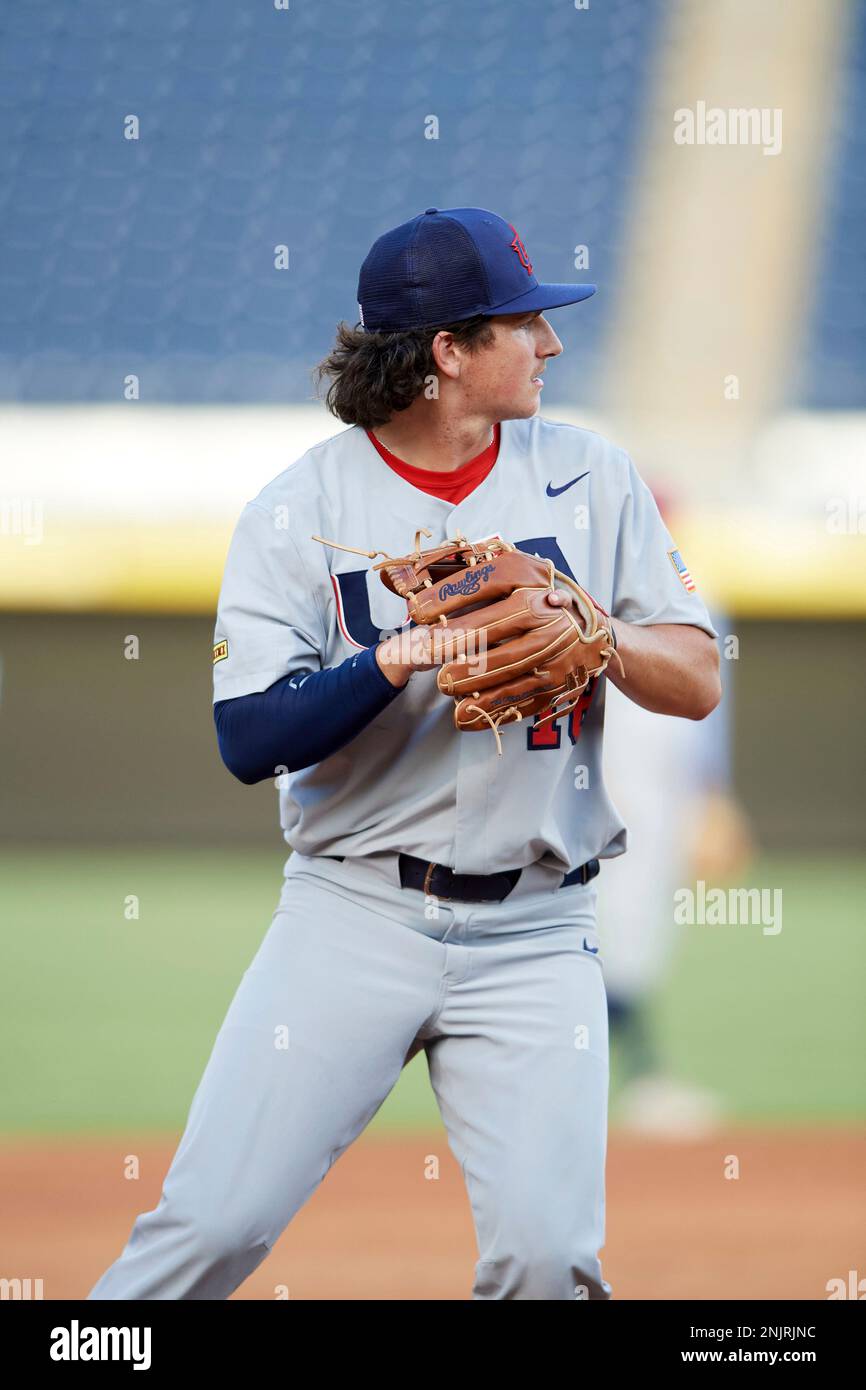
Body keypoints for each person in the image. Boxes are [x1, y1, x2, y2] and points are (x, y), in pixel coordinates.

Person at [87, 206, 720, 1301]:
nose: (550, 344)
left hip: (536, 923)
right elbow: (247, 737)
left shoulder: (589, 476)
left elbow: (696, 676)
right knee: (211, 1226)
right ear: (447, 352)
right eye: (523, 322)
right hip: (353, 917)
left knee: (545, 1262)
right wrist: (398, 656)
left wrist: (600, 636)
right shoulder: (299, 509)